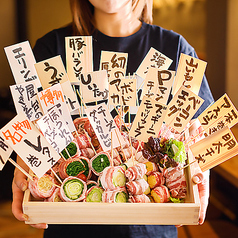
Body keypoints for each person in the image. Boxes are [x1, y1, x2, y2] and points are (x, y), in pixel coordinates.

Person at [12, 0, 213, 237]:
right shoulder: (52, 48)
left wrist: (200, 168)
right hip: (71, 225)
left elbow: (199, 126)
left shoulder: (174, 49)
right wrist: (26, 159)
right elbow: (32, 125)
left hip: (150, 227)